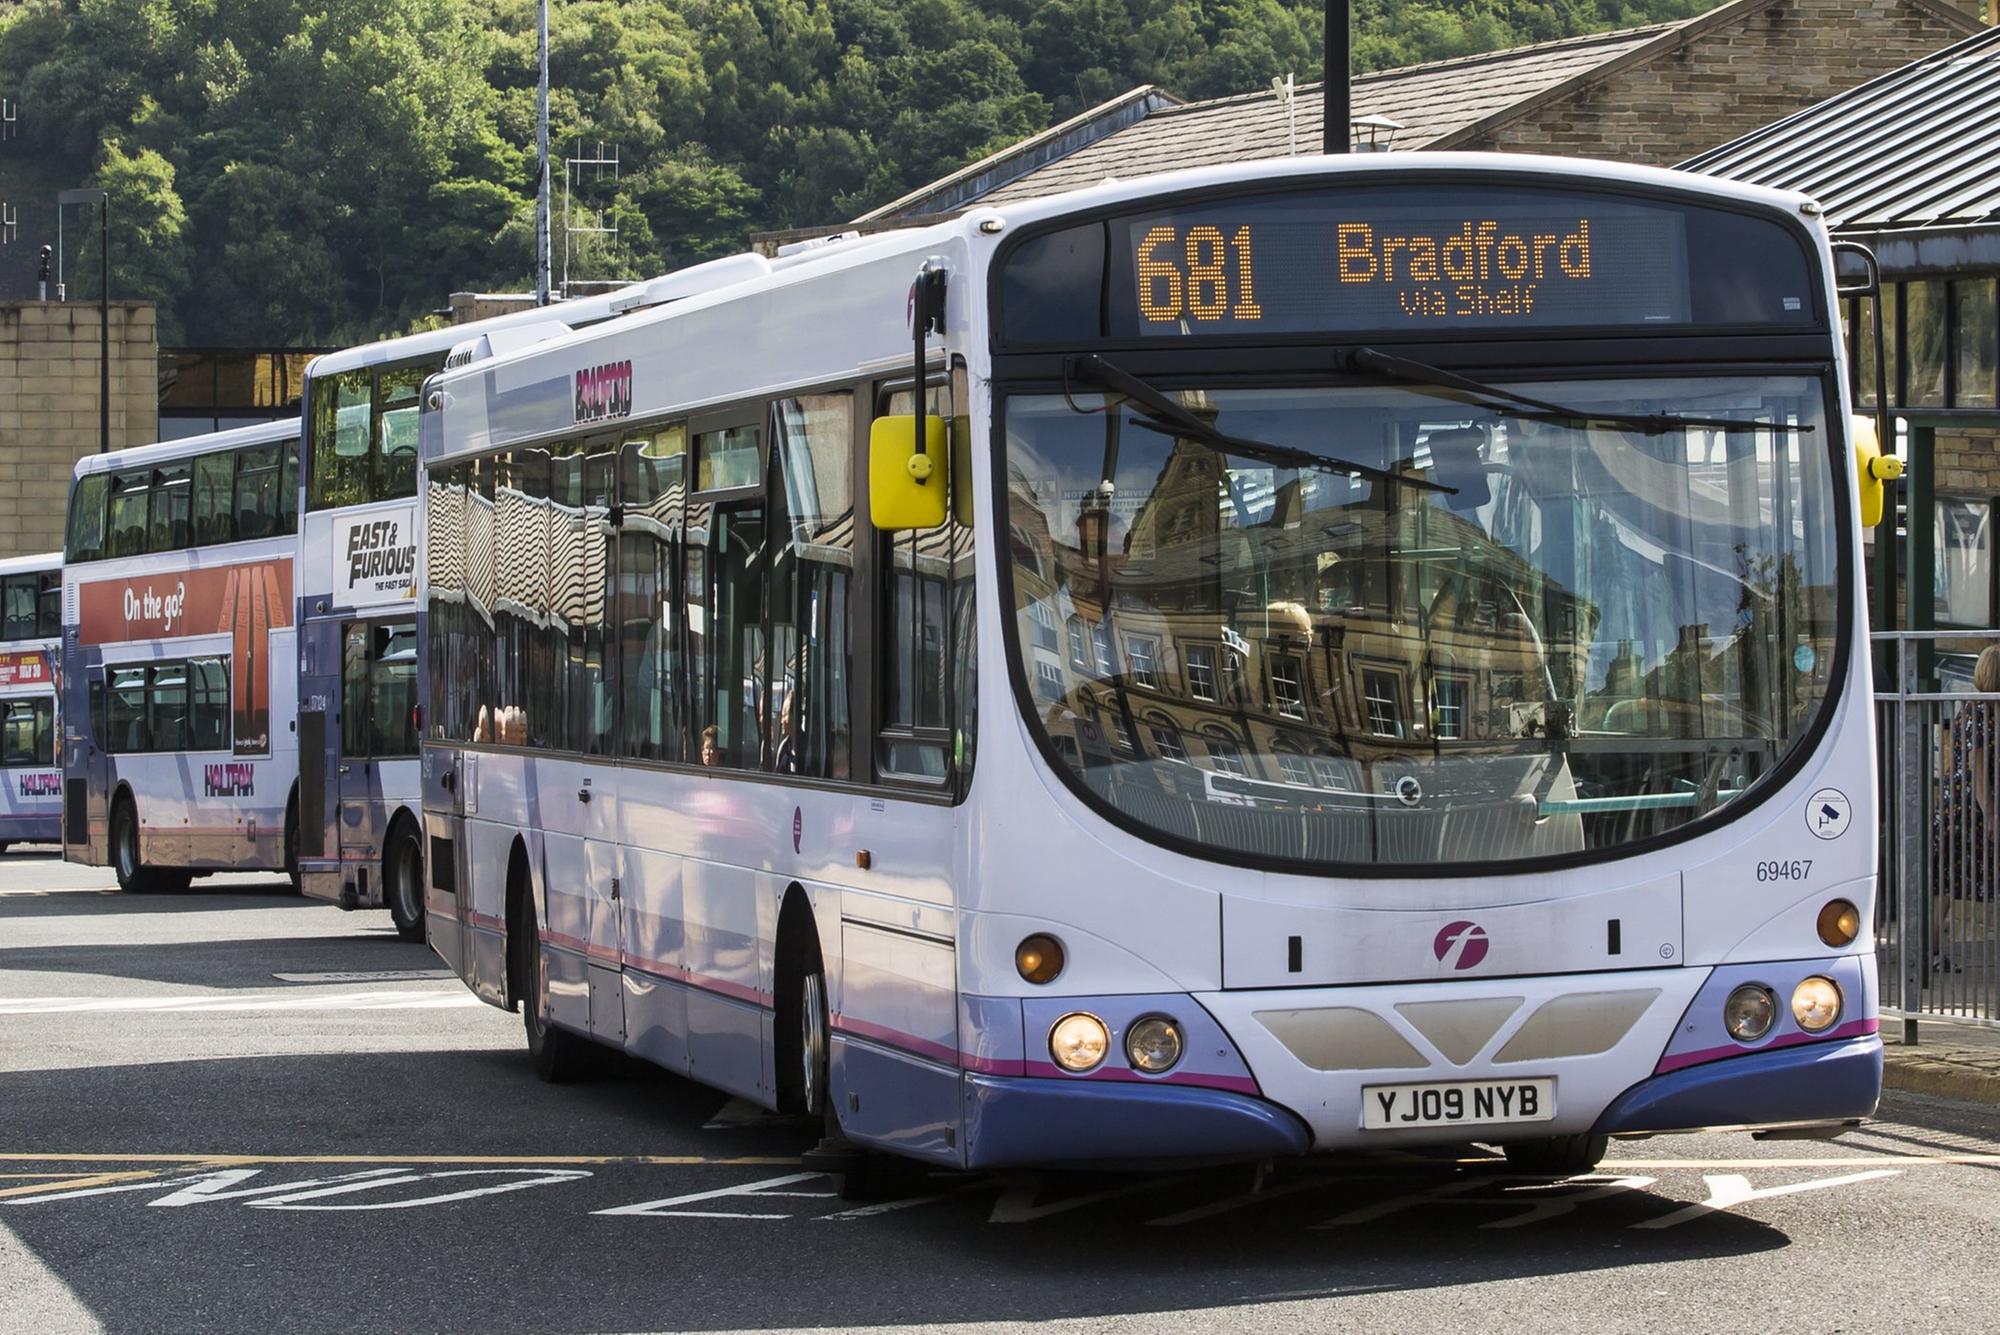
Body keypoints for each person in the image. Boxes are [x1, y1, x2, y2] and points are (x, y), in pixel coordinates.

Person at [1932, 645, 2000, 972]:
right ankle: (1929, 951)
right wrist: (1991, 814)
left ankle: (1931, 951)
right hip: (1965, 808)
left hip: (1957, 803)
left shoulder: (1973, 708)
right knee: (1947, 879)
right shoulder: (1983, 711)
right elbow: (1978, 768)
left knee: (1947, 879)